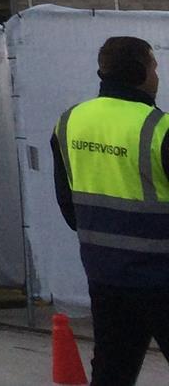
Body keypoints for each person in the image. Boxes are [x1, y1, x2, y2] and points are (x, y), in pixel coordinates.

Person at [53, 35, 169, 385]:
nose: (157, 75)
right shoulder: (159, 128)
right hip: (162, 277)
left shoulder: (70, 121)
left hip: (105, 274)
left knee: (112, 371)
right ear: (139, 72)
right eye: (153, 66)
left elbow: (67, 203)